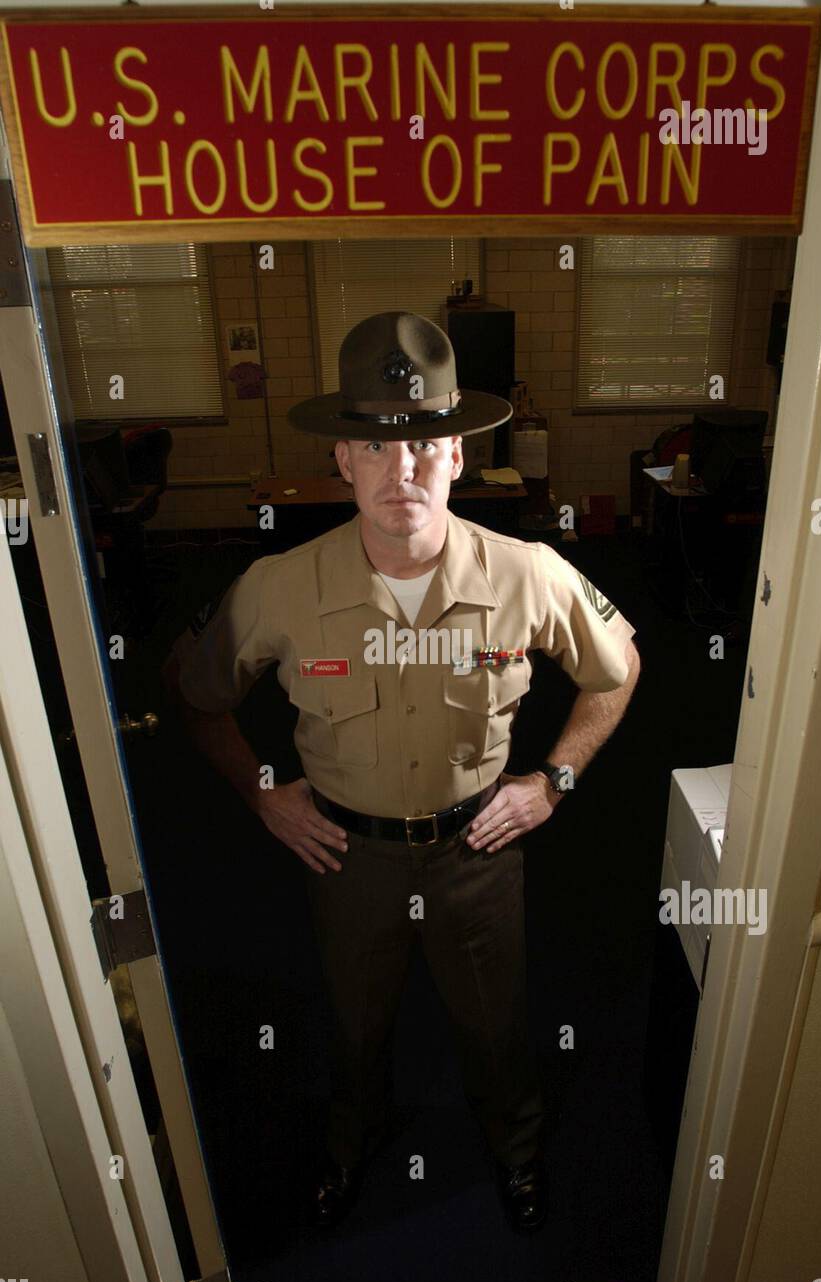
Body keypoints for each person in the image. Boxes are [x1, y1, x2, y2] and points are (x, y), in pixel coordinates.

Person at [163, 311, 640, 1235]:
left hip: (476, 852)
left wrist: (554, 784)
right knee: (353, 1025)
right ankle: (351, 1146)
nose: (402, 473)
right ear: (341, 460)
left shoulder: (528, 573)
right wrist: (264, 794)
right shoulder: (277, 586)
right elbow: (193, 692)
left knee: (495, 1029)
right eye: (375, 449)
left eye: (425, 445)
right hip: (349, 856)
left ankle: (516, 1153)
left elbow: (619, 668)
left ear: (459, 454)